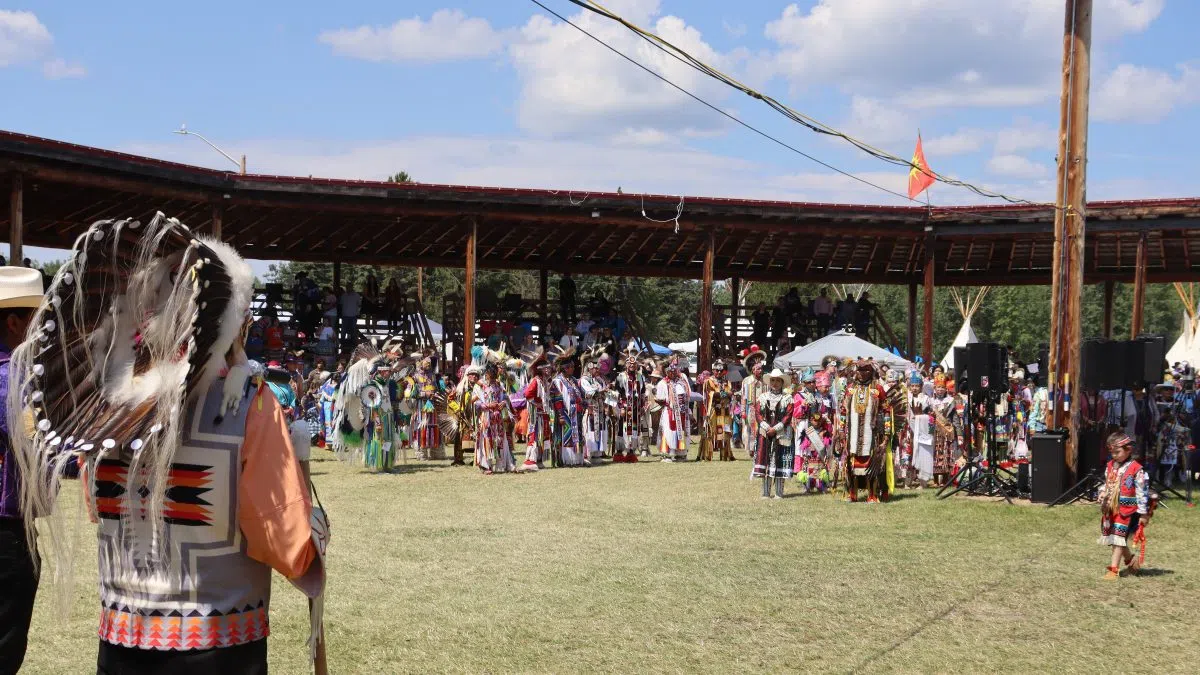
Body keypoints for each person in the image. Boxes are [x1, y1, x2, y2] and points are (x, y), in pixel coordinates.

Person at [8, 216, 326, 673]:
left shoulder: (102, 406)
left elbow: (98, 505)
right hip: (218, 645)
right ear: (229, 320)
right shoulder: (249, 407)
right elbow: (285, 540)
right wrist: (317, 533)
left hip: (122, 641)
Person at [0, 266, 43, 673]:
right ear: (14, 323)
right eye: (37, 321)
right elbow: (35, 452)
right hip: (6, 532)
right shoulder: (18, 381)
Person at [1098, 432, 1152, 579]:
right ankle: (1131, 561)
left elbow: (1142, 493)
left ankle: (1113, 570)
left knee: (1117, 538)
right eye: (1112, 452)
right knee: (1114, 538)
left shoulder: (1136, 469)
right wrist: (1102, 492)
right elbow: (1107, 484)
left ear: (1128, 449)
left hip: (1127, 511)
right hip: (1111, 508)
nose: (1114, 455)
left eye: (1118, 452)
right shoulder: (1110, 466)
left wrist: (1143, 514)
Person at [838, 360, 890, 503]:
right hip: (853, 434)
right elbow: (843, 411)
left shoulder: (877, 389)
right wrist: (841, 429)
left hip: (871, 434)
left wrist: (886, 434)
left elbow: (886, 412)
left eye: (866, 371)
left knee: (872, 463)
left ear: (871, 372)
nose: (862, 374)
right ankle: (852, 494)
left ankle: (872, 495)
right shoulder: (850, 389)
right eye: (860, 371)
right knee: (851, 464)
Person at [753, 369, 795, 499]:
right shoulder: (763, 397)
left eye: (777, 380)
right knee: (765, 460)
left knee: (779, 460)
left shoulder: (788, 398)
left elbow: (788, 416)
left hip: (781, 434)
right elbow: (758, 414)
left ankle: (779, 492)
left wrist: (775, 429)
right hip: (765, 433)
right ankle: (765, 493)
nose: (775, 383)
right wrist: (766, 427)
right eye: (772, 380)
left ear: (782, 382)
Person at [405, 355, 444, 460]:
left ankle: (436, 452)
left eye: (429, 364)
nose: (428, 365)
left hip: (433, 405)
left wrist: (435, 393)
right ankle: (421, 452)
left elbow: (438, 389)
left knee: (434, 426)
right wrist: (424, 394)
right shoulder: (415, 377)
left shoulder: (433, 376)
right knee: (421, 427)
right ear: (421, 364)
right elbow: (409, 393)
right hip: (421, 406)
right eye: (426, 363)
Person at [656, 357, 693, 462]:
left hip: (683, 412)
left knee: (682, 431)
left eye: (674, 371)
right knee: (669, 431)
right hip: (670, 412)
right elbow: (660, 399)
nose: (672, 373)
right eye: (670, 371)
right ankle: (667, 453)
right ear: (666, 372)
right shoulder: (663, 383)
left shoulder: (682, 379)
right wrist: (663, 402)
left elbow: (688, 394)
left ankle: (680, 453)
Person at [612, 351, 646, 462]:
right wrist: (620, 407)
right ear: (626, 365)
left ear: (637, 365)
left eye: (634, 364)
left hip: (635, 409)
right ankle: (619, 452)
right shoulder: (620, 377)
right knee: (621, 429)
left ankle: (631, 452)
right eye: (630, 364)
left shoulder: (640, 377)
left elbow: (643, 393)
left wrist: (642, 407)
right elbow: (616, 394)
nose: (632, 366)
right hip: (624, 407)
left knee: (634, 429)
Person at [701, 359, 735, 461]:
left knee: (725, 431)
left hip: (725, 410)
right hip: (713, 410)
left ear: (725, 371)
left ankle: (725, 455)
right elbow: (709, 394)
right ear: (713, 370)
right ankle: (707, 455)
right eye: (717, 370)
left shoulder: (727, 382)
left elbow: (730, 395)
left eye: (721, 370)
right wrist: (723, 394)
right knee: (710, 431)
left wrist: (724, 394)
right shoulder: (708, 381)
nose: (719, 372)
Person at [740, 346, 767, 461]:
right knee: (750, 429)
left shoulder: (765, 381)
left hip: (762, 408)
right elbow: (743, 397)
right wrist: (742, 410)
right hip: (751, 409)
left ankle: (760, 449)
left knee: (761, 429)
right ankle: (751, 450)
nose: (760, 371)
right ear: (753, 370)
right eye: (758, 369)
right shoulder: (747, 381)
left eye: (761, 368)